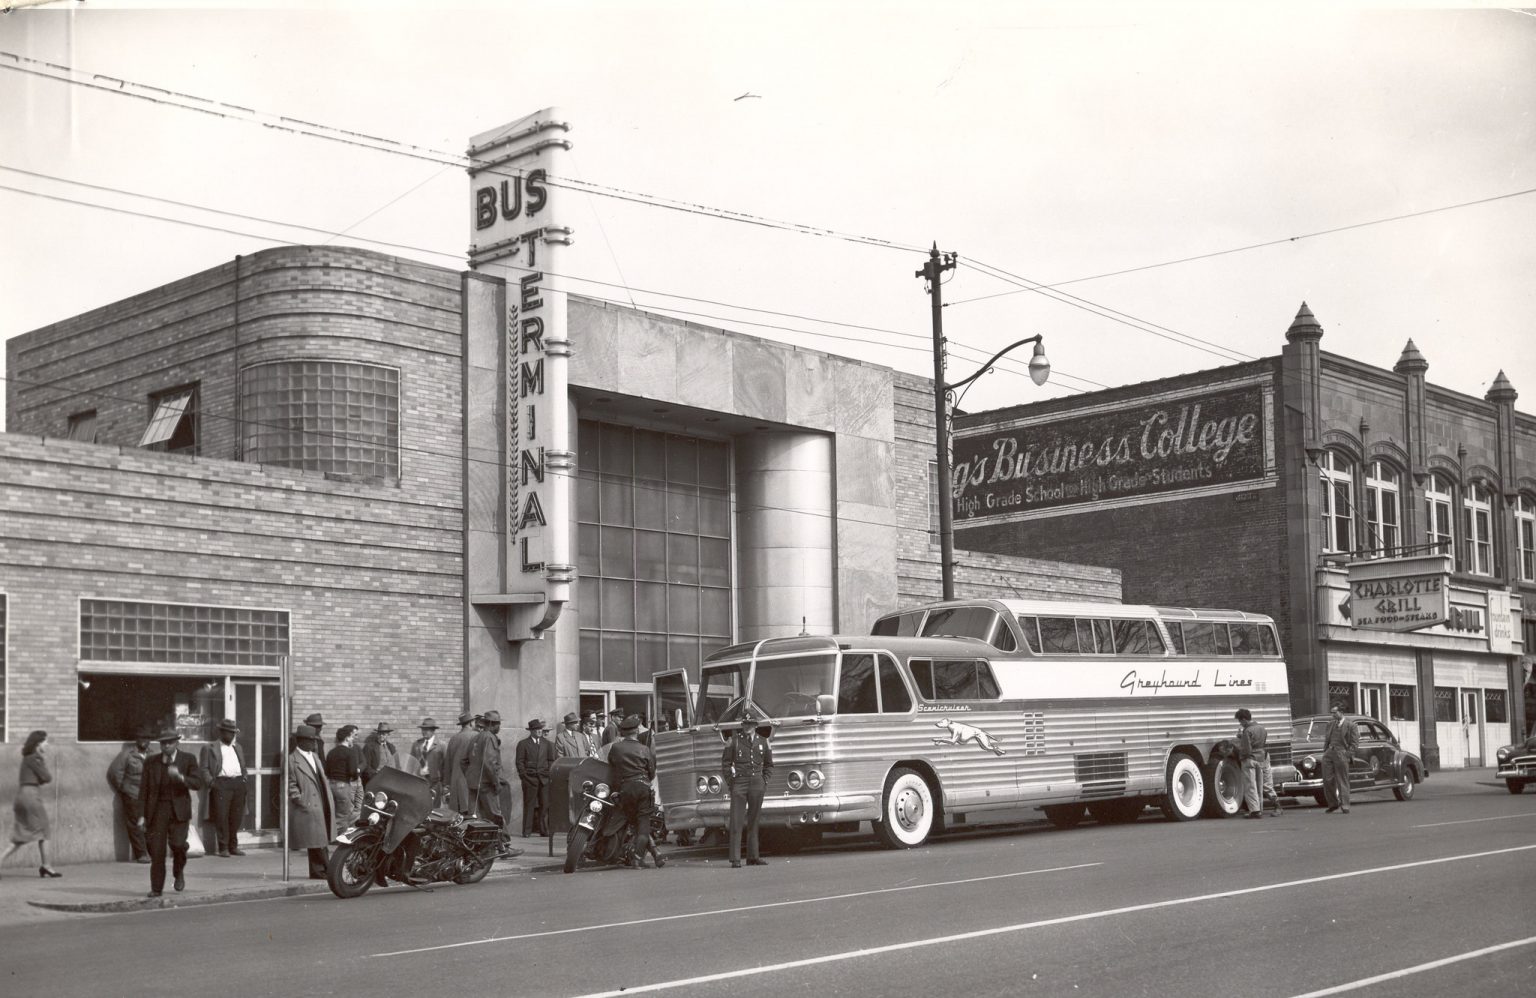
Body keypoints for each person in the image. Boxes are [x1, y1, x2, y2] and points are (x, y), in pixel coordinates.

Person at [138, 729, 204, 897]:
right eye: (163, 743)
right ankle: (156, 888)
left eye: (170, 743)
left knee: (178, 845)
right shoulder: (151, 762)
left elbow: (197, 782)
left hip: (179, 811)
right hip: (157, 811)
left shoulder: (188, 759)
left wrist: (181, 778)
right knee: (157, 851)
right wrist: (141, 815)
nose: (166, 746)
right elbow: (144, 790)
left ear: (177, 743)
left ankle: (178, 871)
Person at [3, 731, 63, 878]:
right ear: (38, 744)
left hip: (22, 795)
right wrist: (43, 765)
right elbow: (46, 777)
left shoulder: (27, 758)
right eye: (45, 741)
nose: (47, 744)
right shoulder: (35, 758)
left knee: (21, 834)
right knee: (44, 831)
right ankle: (46, 866)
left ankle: (46, 866)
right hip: (31, 796)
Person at [608, 715, 662, 869]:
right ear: (637, 731)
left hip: (625, 789)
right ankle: (638, 858)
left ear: (623, 732)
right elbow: (652, 771)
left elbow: (611, 769)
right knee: (643, 826)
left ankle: (654, 853)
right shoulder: (644, 749)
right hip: (643, 788)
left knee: (634, 824)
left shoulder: (616, 748)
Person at [721, 716, 774, 868]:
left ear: (756, 725)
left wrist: (764, 781)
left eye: (750, 724)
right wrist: (731, 782)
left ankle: (753, 856)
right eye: (745, 723)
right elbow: (725, 763)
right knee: (736, 821)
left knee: (754, 820)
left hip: (757, 782)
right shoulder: (734, 741)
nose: (747, 726)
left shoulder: (764, 741)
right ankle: (735, 858)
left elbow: (769, 764)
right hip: (740, 781)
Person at [288, 723, 335, 880]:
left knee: (319, 838)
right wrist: (301, 800)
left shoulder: (314, 756)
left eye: (314, 740)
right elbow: (290, 784)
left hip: (321, 799)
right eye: (310, 740)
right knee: (316, 839)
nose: (314, 743)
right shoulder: (292, 760)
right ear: (300, 741)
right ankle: (324, 869)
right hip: (309, 802)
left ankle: (320, 870)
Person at [200, 718, 251, 855]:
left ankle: (233, 846)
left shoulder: (237, 747)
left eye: (233, 733)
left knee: (236, 816)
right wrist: (212, 783)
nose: (231, 735)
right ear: (221, 732)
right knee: (222, 817)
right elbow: (204, 768)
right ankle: (223, 847)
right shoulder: (210, 748)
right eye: (228, 732)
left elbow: (243, 765)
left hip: (238, 783)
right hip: (221, 784)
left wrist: (244, 778)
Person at [107, 727, 154, 864]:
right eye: (141, 738)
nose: (144, 741)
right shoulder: (127, 754)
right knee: (134, 824)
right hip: (133, 794)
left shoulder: (152, 755)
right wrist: (124, 789)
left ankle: (151, 852)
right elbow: (114, 772)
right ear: (136, 740)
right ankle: (141, 854)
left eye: (147, 738)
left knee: (150, 823)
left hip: (149, 796)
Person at [464, 710, 507, 829]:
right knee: (495, 816)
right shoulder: (490, 737)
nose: (499, 727)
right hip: (487, 784)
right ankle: (504, 840)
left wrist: (471, 775)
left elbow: (464, 761)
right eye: (498, 724)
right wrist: (496, 783)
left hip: (473, 784)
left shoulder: (475, 737)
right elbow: (489, 763)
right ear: (491, 724)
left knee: (477, 819)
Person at [515, 718, 557, 837]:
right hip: (530, 779)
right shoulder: (523, 744)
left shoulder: (547, 744)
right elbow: (519, 762)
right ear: (531, 731)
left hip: (544, 779)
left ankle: (544, 830)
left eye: (540, 729)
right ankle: (527, 831)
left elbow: (551, 760)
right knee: (529, 805)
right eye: (536, 729)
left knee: (545, 805)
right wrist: (524, 776)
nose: (539, 731)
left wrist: (548, 773)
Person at [1234, 708, 1277, 820]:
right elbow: (1260, 742)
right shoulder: (1262, 728)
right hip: (1262, 758)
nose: (1240, 724)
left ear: (1244, 719)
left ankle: (1255, 811)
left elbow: (1247, 749)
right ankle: (1275, 806)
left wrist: (1240, 755)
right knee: (1263, 784)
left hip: (1250, 760)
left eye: (1240, 721)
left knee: (1250, 786)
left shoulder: (1247, 731)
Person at [325, 724, 365, 835]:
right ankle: (338, 839)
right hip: (343, 786)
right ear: (347, 738)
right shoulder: (349, 752)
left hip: (331, 785)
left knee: (333, 813)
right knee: (342, 816)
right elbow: (352, 772)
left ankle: (330, 835)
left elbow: (327, 771)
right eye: (352, 737)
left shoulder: (331, 752)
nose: (353, 739)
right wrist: (357, 772)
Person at [1320, 704, 1359, 814]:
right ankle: (1333, 804)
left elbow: (1354, 743)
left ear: (1341, 712)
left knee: (1342, 780)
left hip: (1342, 753)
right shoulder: (1330, 724)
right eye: (1332, 712)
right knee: (1327, 780)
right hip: (1329, 752)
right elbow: (1327, 739)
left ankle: (1345, 805)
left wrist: (1347, 755)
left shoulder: (1351, 725)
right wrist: (1325, 751)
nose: (1332, 715)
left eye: (1335, 712)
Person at [445, 711, 479, 812]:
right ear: (471, 723)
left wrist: (447, 784)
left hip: (455, 784)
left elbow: (448, 764)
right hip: (469, 783)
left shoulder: (453, 739)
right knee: (472, 813)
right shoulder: (476, 736)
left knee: (458, 814)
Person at [410, 717, 447, 805]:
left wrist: (445, 785)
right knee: (420, 805)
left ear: (433, 730)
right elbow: (411, 763)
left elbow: (446, 766)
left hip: (435, 783)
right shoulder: (416, 744)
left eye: (427, 730)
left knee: (434, 807)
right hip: (420, 782)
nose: (424, 732)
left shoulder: (441, 745)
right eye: (423, 729)